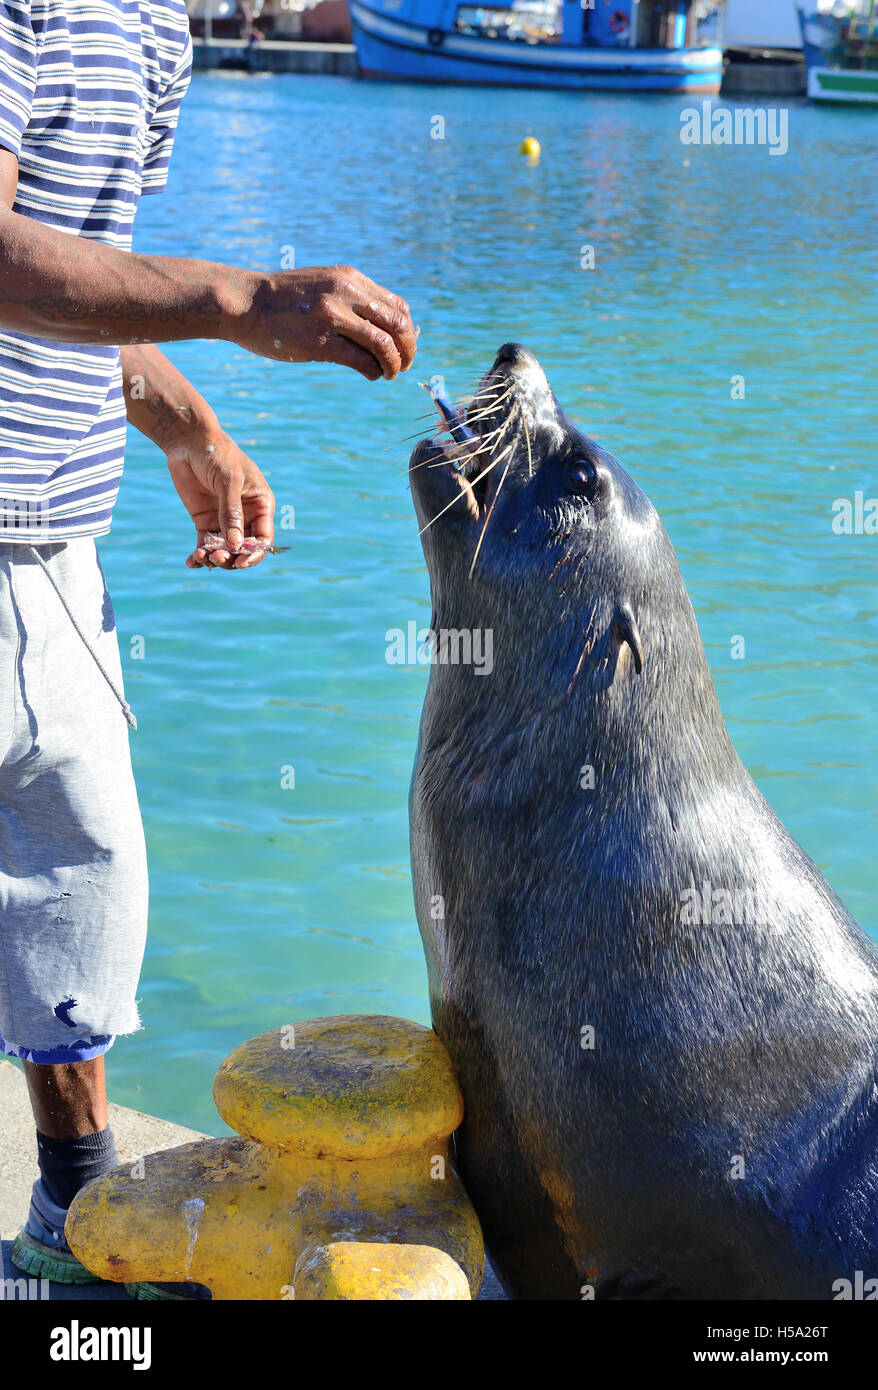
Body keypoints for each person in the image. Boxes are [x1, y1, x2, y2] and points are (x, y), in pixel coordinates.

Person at [0, 0, 416, 1287]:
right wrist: (235, 298)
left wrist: (183, 418)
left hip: (54, 550)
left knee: (84, 890)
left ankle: (70, 1225)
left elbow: (71, 263)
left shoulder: (156, 26)